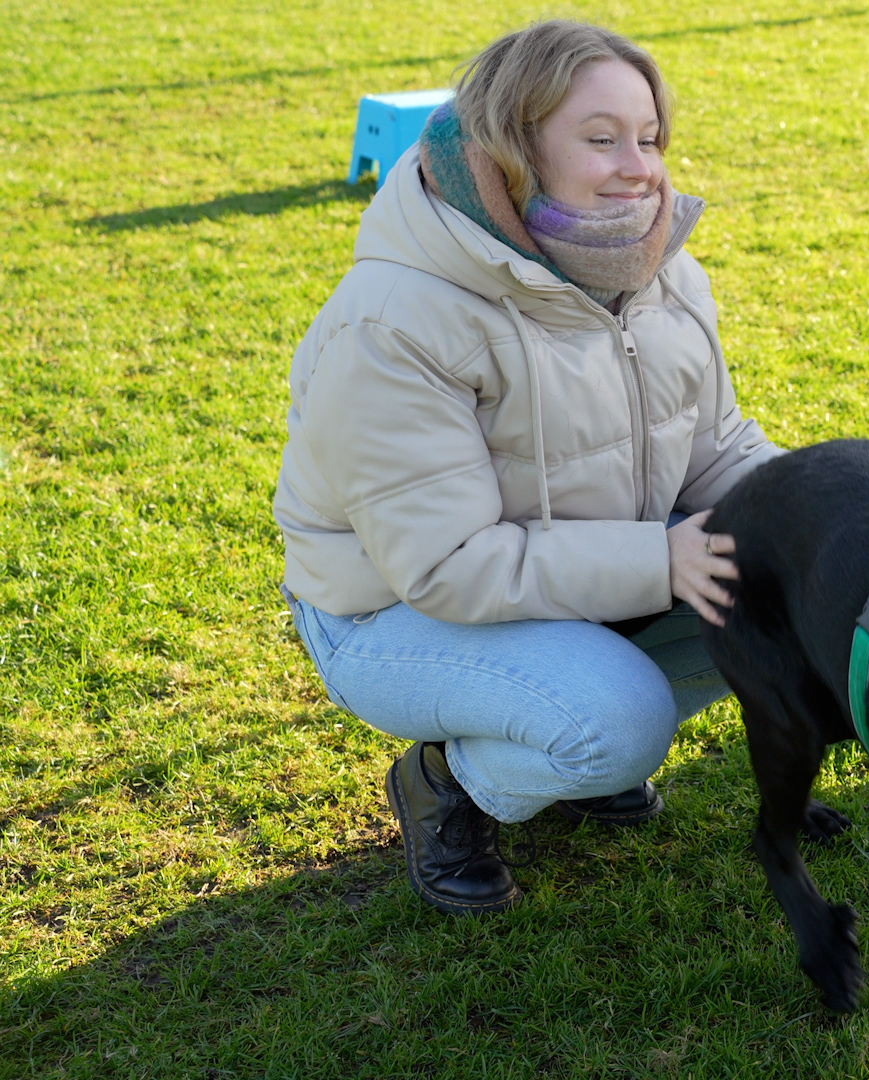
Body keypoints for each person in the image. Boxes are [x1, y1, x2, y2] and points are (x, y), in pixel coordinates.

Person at [274, 21, 780, 915]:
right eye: (601, 139)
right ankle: (451, 783)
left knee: (778, 595)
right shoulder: (391, 322)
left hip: (584, 572)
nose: (641, 167)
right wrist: (660, 563)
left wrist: (832, 507)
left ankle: (562, 735)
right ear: (514, 145)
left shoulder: (659, 268)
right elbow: (445, 565)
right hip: (387, 611)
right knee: (614, 722)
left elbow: (717, 449)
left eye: (650, 137)